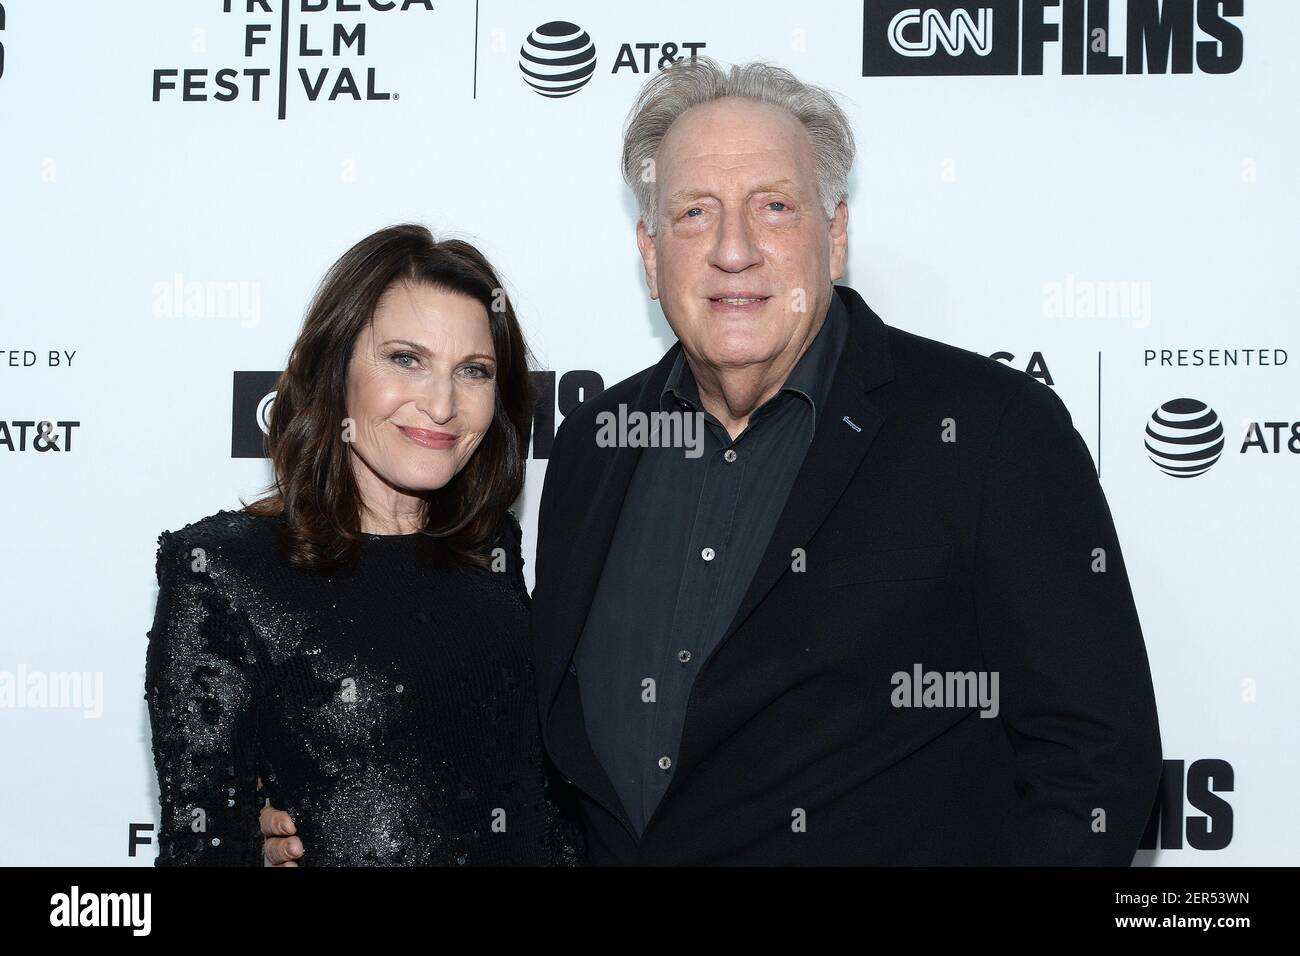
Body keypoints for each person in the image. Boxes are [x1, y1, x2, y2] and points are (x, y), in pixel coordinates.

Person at [264, 58, 1163, 866]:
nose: (734, 249)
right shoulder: (595, 444)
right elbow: (551, 778)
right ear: (651, 255)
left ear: (835, 234)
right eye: (694, 213)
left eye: (774, 206)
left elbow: (1097, 760)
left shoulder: (988, 431)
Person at [144, 223, 583, 866]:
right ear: (336, 368)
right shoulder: (225, 570)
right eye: (406, 359)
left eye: (474, 370)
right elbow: (201, 849)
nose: (441, 403)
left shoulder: (490, 552)